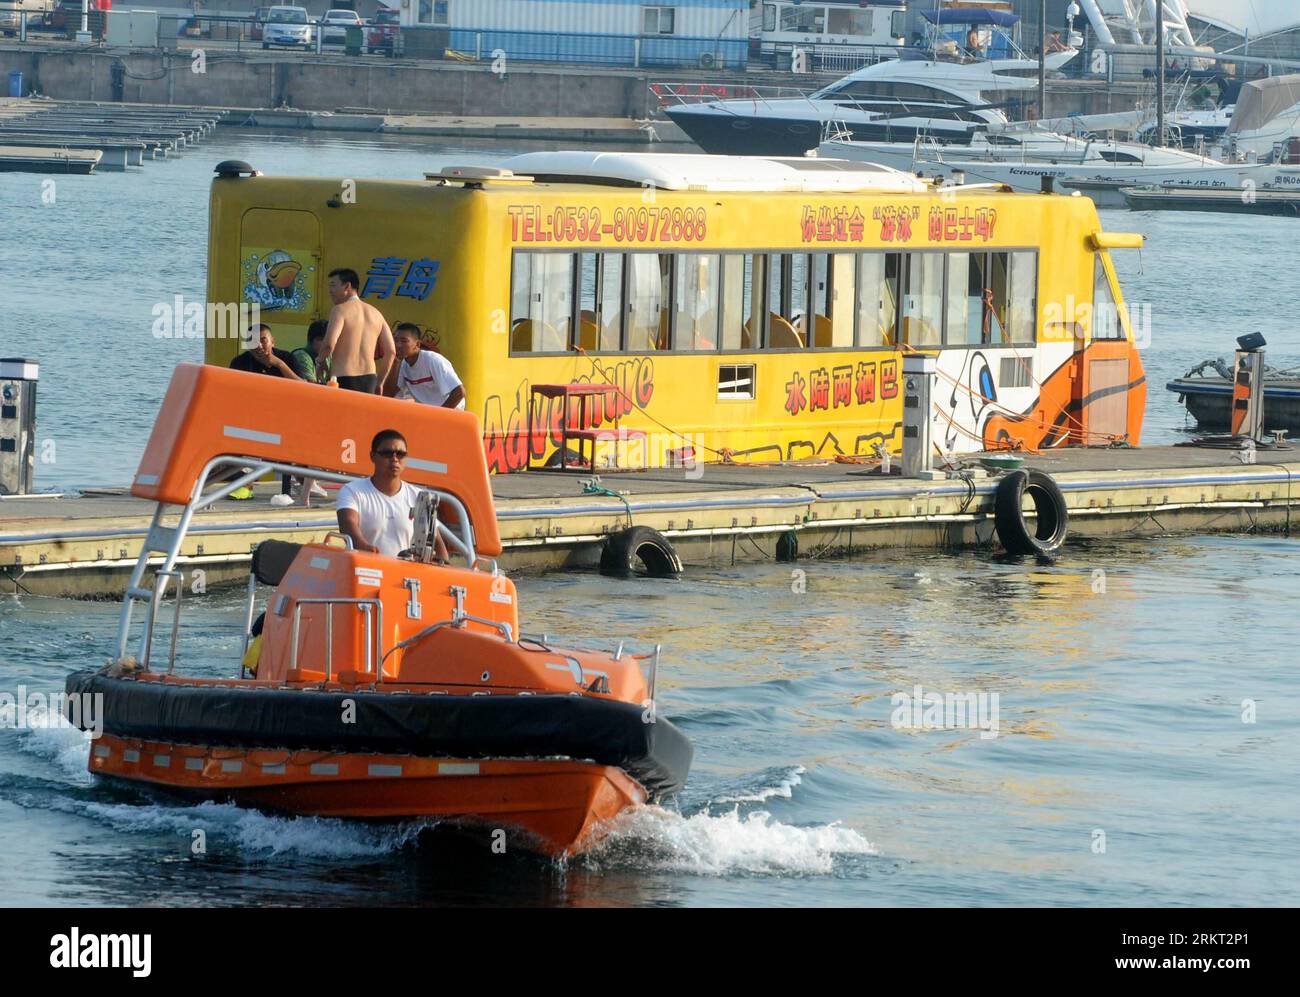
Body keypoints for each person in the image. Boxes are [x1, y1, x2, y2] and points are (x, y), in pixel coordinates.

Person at [336, 429, 420, 557]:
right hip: (365, 569)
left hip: (405, 573)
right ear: (372, 456)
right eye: (387, 453)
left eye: (401, 454)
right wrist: (361, 545)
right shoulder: (351, 491)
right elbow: (347, 523)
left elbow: (435, 538)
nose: (394, 459)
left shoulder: (418, 495)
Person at [317, 267, 395, 394]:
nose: (330, 291)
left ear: (347, 286)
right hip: (370, 379)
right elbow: (391, 351)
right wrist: (380, 382)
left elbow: (329, 344)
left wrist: (320, 362)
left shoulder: (339, 310)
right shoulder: (376, 313)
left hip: (344, 378)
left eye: (333, 286)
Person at [388, 323, 466, 409]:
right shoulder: (402, 364)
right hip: (428, 413)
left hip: (450, 413)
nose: (398, 345)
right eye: (395, 340)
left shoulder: (432, 360)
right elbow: (389, 394)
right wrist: (395, 363)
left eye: (404, 341)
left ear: (417, 344)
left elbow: (459, 392)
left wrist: (439, 416)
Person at [230, 324, 308, 380]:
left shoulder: (287, 357)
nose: (259, 346)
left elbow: (303, 386)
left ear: (272, 342)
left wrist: (280, 364)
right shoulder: (239, 362)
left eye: (263, 341)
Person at [292, 320, 330, 384]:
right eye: (321, 339)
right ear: (310, 340)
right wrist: (320, 375)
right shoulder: (301, 356)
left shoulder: (328, 357)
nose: (326, 344)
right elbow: (311, 387)